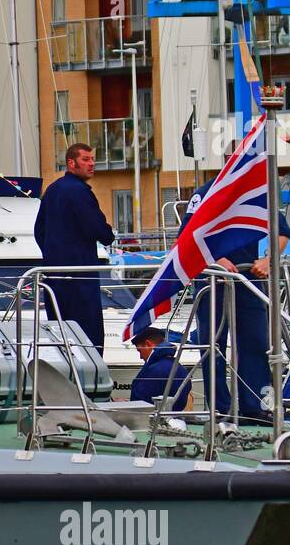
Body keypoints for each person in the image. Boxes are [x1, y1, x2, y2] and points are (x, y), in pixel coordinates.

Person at [181, 173, 290, 423]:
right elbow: (187, 235)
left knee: (255, 342)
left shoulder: (257, 195)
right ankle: (219, 409)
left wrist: (268, 259)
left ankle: (256, 406)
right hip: (212, 281)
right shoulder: (205, 194)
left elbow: (283, 231)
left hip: (248, 278)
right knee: (213, 346)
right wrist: (216, 260)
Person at [32, 143, 116, 353]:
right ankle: (89, 381)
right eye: (86, 159)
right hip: (81, 278)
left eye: (92, 159)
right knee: (88, 339)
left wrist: (52, 255)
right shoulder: (79, 191)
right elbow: (97, 228)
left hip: (55, 277)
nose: (91, 164)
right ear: (71, 163)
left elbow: (38, 230)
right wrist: (107, 235)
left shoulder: (52, 190)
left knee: (61, 336)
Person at [129, 327, 192, 409]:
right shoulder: (180, 368)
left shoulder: (152, 371)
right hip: (175, 418)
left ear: (148, 344)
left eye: (140, 351)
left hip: (153, 420)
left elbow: (140, 404)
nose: (141, 357)